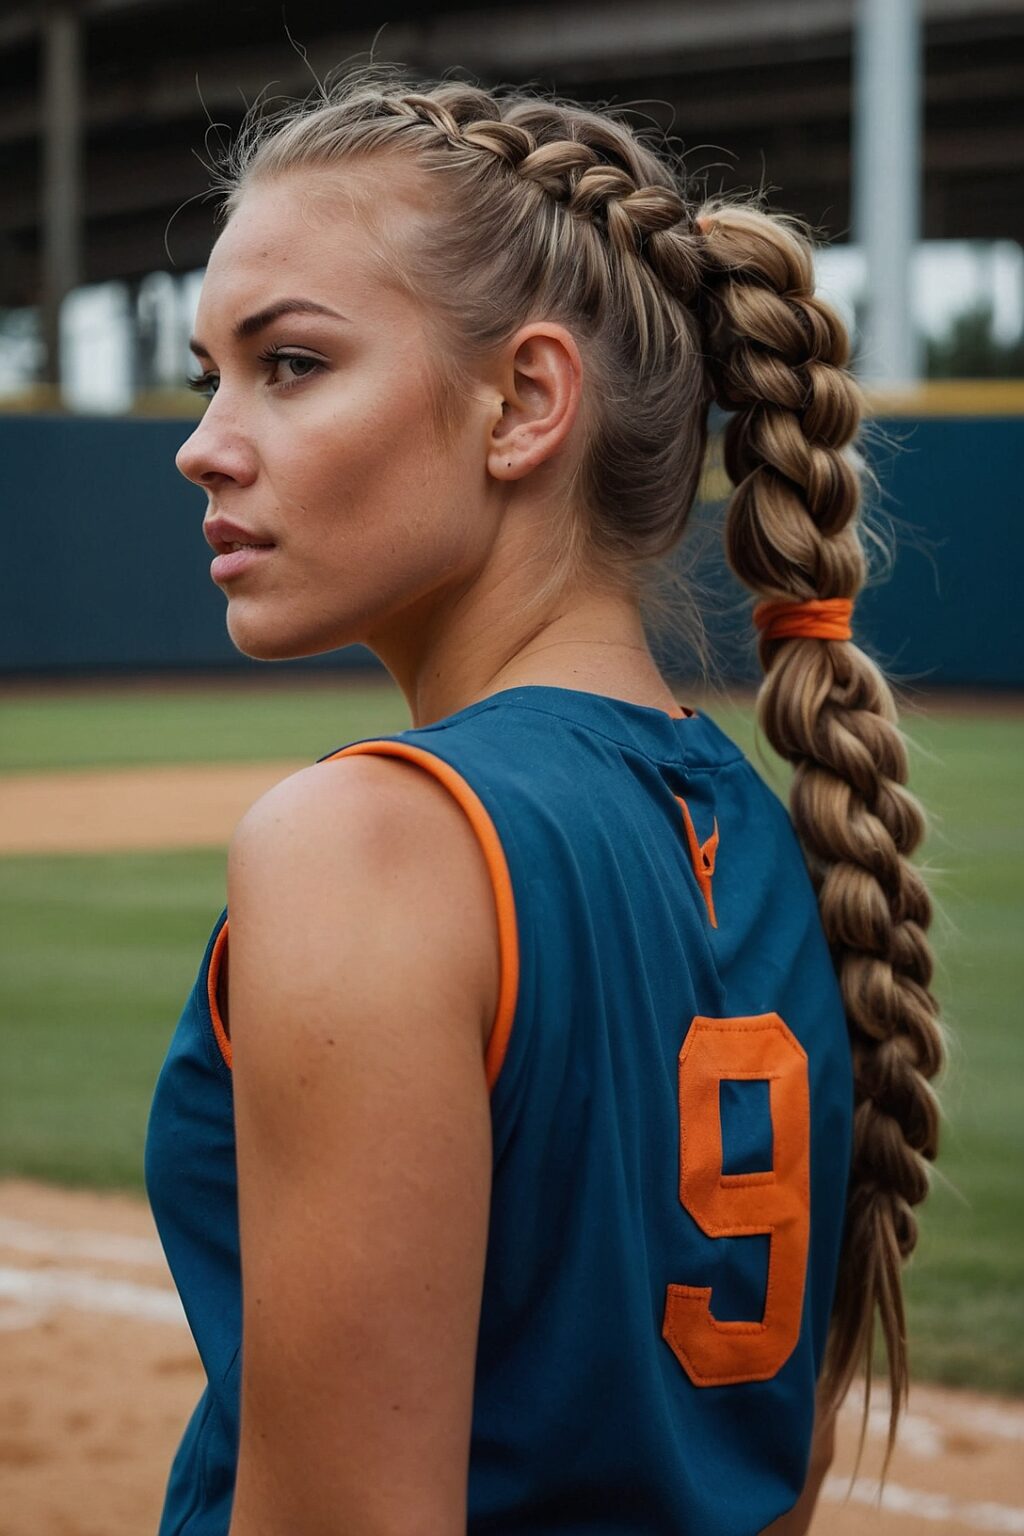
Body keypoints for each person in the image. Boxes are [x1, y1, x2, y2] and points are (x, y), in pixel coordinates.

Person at [145, 65, 943, 1536]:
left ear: (523, 403)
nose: (206, 441)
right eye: (212, 376)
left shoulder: (369, 840)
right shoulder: (786, 847)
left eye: (293, 364)